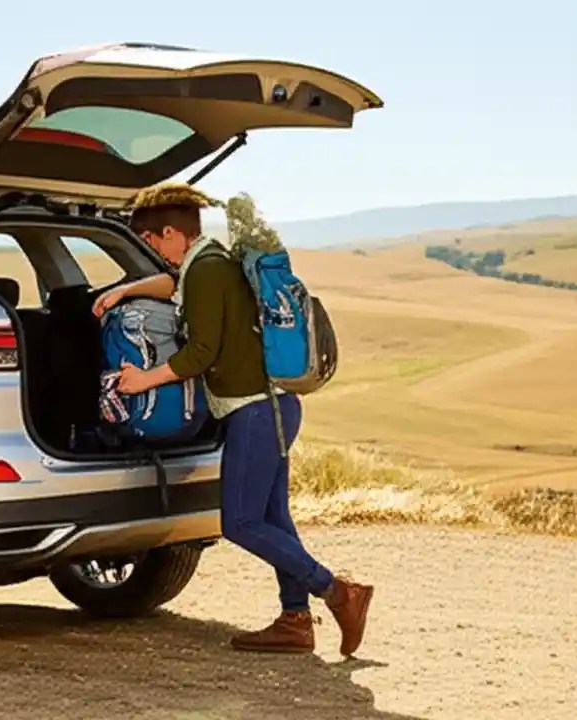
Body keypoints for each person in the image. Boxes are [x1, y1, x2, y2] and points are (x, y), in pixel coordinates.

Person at [93, 181, 373, 656]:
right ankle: (295, 620)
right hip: (275, 407)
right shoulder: (211, 262)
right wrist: (126, 290)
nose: (156, 255)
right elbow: (176, 287)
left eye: (154, 245)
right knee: (274, 519)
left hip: (256, 411)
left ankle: (339, 592)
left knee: (240, 522)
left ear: (169, 234)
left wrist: (144, 380)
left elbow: (200, 354)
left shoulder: (205, 271)